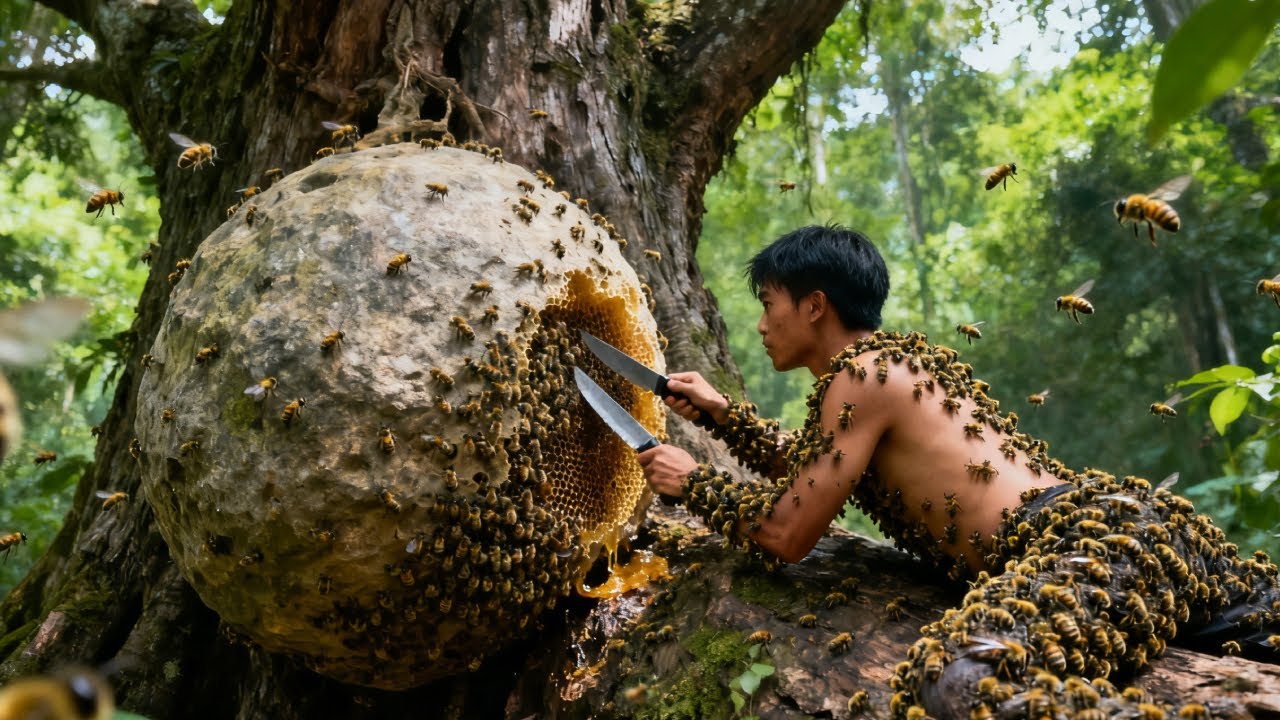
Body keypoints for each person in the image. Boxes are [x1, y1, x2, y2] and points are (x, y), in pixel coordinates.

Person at [636, 224, 1280, 719]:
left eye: (769, 301)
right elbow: (822, 467)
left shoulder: (858, 378)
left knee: (961, 685)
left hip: (1079, 542)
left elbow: (787, 532)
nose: (760, 322)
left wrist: (693, 481)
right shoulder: (892, 369)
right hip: (1131, 528)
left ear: (813, 305)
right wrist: (724, 416)